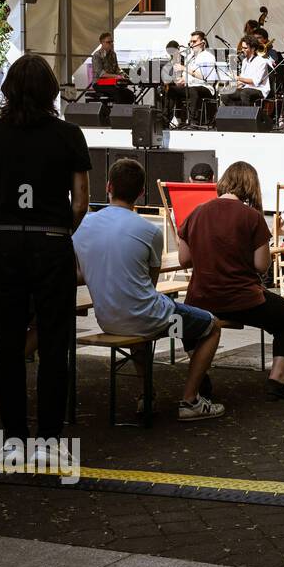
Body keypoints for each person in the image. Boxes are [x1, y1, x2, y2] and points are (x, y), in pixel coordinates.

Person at [0, 55, 90, 464]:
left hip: (7, 243)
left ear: (8, 89)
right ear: (51, 92)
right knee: (54, 341)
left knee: (8, 341)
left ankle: (14, 436)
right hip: (51, 242)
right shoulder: (69, 135)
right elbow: (80, 201)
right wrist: (59, 230)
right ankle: (49, 437)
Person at [73, 159, 225, 421]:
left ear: (108, 187)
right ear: (142, 192)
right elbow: (150, 284)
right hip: (147, 316)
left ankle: (147, 395)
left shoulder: (83, 226)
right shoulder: (148, 230)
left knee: (137, 321)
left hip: (107, 317)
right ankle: (190, 400)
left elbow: (80, 271)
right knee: (211, 326)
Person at [177, 161, 284, 400]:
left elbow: (184, 260)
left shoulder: (196, 213)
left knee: (184, 322)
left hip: (201, 298)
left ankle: (199, 373)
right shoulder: (252, 217)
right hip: (242, 299)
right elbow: (261, 265)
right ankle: (277, 378)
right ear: (251, 185)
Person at [181, 30, 219, 127]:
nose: (191, 44)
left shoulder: (208, 57)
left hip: (205, 87)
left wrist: (185, 69)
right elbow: (185, 75)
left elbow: (203, 76)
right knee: (172, 90)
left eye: (194, 42)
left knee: (193, 89)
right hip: (190, 86)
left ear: (202, 43)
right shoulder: (189, 57)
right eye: (190, 42)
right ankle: (168, 120)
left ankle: (193, 121)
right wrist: (180, 80)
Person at [220, 34, 270, 108]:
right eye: (242, 48)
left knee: (245, 93)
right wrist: (232, 86)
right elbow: (242, 81)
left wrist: (238, 78)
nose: (242, 50)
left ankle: (246, 114)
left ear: (253, 49)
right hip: (246, 88)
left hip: (260, 90)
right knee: (225, 95)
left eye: (245, 48)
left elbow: (256, 82)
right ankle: (236, 112)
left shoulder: (261, 62)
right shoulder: (244, 61)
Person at [89, 31, 134, 104]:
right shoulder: (97, 55)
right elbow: (101, 74)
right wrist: (116, 76)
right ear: (102, 43)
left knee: (130, 94)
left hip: (111, 82)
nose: (111, 44)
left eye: (112, 42)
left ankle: (125, 110)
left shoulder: (113, 54)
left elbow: (116, 68)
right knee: (118, 92)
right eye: (108, 42)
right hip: (99, 82)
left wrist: (124, 75)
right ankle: (118, 110)